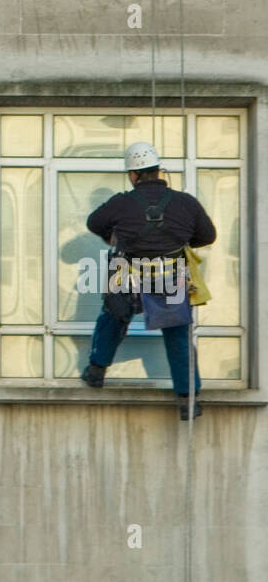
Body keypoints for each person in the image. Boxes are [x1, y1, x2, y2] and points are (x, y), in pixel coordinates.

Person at [80, 141, 216, 419]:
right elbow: (207, 236)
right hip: (169, 272)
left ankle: (96, 371)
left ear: (133, 175)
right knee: (177, 332)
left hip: (128, 271)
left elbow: (94, 222)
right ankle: (187, 398)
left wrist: (114, 234)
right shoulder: (185, 203)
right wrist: (177, 238)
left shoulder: (121, 202)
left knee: (113, 316)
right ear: (158, 171)